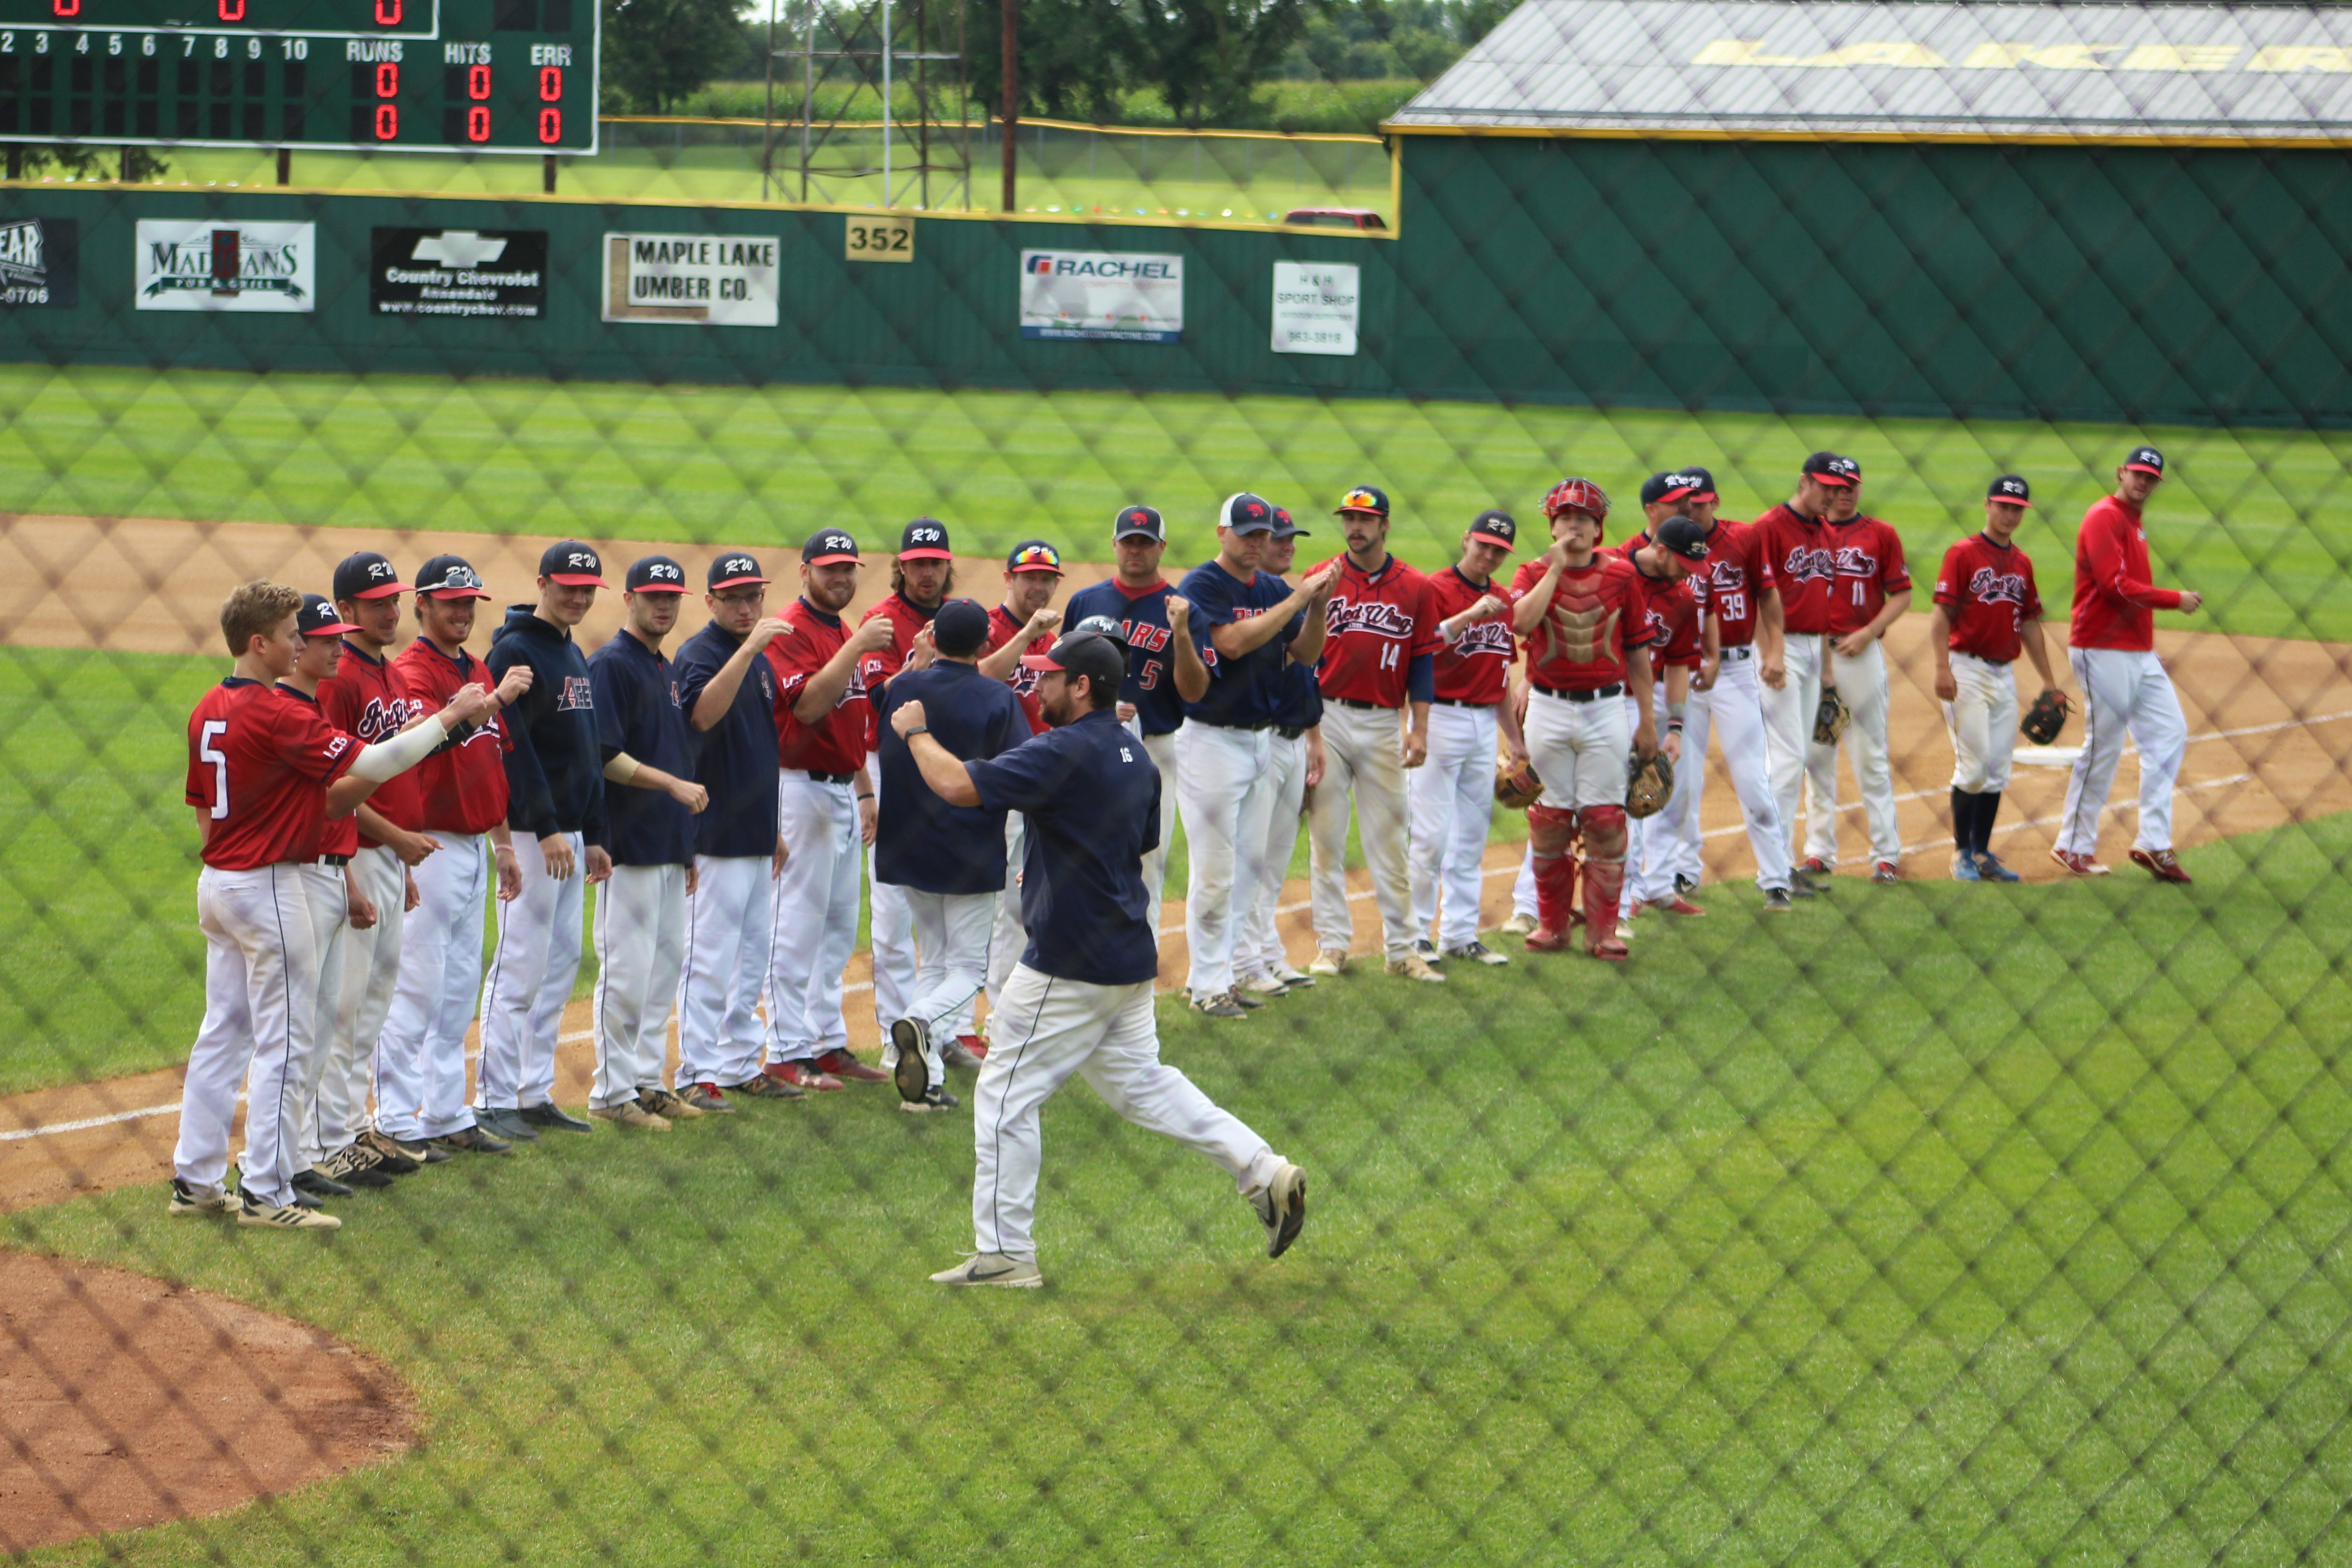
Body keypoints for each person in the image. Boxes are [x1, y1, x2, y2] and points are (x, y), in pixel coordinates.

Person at [889, 630, 1309, 1288]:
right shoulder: (1134, 757)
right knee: (1144, 1084)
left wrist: (915, 730)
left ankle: (1004, 1254)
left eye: (1049, 677)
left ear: (1081, 686)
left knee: (1003, 1093)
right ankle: (1264, 1171)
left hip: (1067, 958)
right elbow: (1141, 841)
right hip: (1125, 952)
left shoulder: (1061, 751)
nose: (1037, 685)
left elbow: (955, 786)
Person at [173, 581, 499, 1230]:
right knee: (287, 1044)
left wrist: (230, 860)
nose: (301, 644)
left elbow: (206, 811)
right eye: (293, 635)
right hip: (269, 886)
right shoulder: (276, 713)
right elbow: (376, 760)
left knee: (223, 1034)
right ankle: (268, 1192)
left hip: (220, 882)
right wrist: (448, 718)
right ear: (259, 643)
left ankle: (197, 1180)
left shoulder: (210, 705)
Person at [379, 555, 528, 1159]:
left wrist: (504, 843)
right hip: (431, 845)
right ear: (422, 606)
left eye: (469, 603)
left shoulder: (476, 666)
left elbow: (490, 759)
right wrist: (491, 703)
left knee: (460, 986)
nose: (463, 612)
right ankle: (395, 1118)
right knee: (417, 985)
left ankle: (446, 1113)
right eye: (450, 603)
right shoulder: (412, 672)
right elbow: (423, 748)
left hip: (475, 845)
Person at [1176, 494, 1337, 1018]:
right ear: (1222, 532)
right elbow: (1232, 644)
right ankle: (1203, 985)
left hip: (1261, 741)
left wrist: (1318, 607)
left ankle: (1225, 975)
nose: (1256, 542)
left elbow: (1306, 654)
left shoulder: (1270, 587)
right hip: (1212, 742)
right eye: (1246, 533)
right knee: (1216, 871)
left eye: (1262, 534)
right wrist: (1295, 602)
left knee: (1247, 869)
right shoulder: (1203, 585)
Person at [305, 552, 435, 1192]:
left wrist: (397, 858)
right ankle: (329, 1137)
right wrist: (377, 853)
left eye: (394, 599)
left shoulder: (385, 672)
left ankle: (353, 1127)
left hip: (386, 856)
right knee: (346, 1004)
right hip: (355, 852)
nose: (391, 611)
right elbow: (334, 789)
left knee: (373, 1002)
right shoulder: (341, 676)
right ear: (347, 610)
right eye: (377, 602)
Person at [475, 541, 613, 1143]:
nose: (578, 597)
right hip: (535, 835)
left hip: (568, 834)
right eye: (567, 587)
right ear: (542, 583)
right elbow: (514, 749)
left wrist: (594, 835)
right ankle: (493, 1097)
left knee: (556, 968)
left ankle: (532, 1092)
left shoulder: (570, 650)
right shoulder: (515, 649)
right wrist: (550, 825)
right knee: (520, 964)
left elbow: (584, 755)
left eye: (587, 589)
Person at [872, 599, 1028, 1112]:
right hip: (969, 849)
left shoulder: (900, 690)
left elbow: (882, 722)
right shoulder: (996, 698)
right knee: (966, 969)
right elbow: (1018, 773)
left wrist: (913, 667)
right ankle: (918, 1025)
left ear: (932, 640)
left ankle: (926, 1081)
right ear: (986, 644)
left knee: (934, 959)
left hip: (910, 846)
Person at [1625, 469, 1799, 911]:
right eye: (1686, 502)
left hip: (1735, 673)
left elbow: (1717, 606)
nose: (1691, 508)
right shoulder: (1642, 556)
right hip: (1674, 675)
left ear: (1714, 502)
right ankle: (1674, 876)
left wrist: (1722, 654)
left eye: (1698, 502)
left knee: (1753, 779)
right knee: (1677, 784)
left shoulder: (1740, 539)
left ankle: (1776, 877)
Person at [1507, 477, 1660, 960]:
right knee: (1549, 819)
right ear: (1552, 526)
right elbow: (1521, 624)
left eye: (1584, 520)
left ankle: (1604, 932)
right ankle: (1552, 927)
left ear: (1599, 529)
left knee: (1605, 819)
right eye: (1565, 519)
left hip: (1605, 707)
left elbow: (1637, 652)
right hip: (1548, 707)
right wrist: (1553, 568)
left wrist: (1649, 721)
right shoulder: (1531, 573)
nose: (1574, 527)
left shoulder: (1623, 578)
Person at [764, 529, 895, 1090]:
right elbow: (813, 706)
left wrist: (864, 790)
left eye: (849, 569)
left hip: (841, 790)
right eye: (830, 570)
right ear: (805, 571)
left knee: (839, 927)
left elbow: (852, 727)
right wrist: (858, 647)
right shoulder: (793, 631)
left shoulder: (841, 630)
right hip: (798, 791)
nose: (841, 578)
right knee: (796, 924)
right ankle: (785, 1049)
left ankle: (824, 1042)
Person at [587, 556, 711, 1130]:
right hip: (629, 848)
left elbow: (674, 753)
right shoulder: (612, 665)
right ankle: (611, 1092)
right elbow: (604, 756)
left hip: (665, 845)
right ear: (630, 599)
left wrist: (685, 846)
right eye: (653, 596)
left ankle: (645, 1082)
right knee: (628, 971)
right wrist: (671, 788)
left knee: (663, 969)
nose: (664, 606)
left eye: (672, 597)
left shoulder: (661, 667)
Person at [1303, 485, 1444, 983]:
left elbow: (1423, 659)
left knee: (1390, 839)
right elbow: (1302, 658)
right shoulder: (1319, 578)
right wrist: (1310, 728)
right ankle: (1333, 946)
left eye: (1365, 519)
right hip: (1327, 718)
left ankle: (1403, 950)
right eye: (1348, 519)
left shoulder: (1417, 587)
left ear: (1385, 524)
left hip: (1385, 720)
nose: (1355, 528)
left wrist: (1418, 726)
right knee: (1327, 839)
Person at [673, 552, 797, 1112]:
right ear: (711, 603)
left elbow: (760, 752)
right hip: (714, 838)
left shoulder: (763, 665)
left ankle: (741, 1064)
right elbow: (701, 716)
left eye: (754, 597)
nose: (747, 608)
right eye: (735, 598)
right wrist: (749, 649)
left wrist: (771, 827)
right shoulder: (697, 655)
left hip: (753, 834)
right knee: (709, 959)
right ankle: (695, 1073)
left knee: (751, 960)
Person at [2053, 446, 2202, 882]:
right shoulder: (2104, 516)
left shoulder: (2134, 523)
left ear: (2157, 484)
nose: (2142, 482)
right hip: (2101, 647)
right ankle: (2072, 845)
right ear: (2122, 472)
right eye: (2137, 474)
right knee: (2105, 745)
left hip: (2138, 650)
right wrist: (2176, 599)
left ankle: (2154, 842)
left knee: (2170, 732)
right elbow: (2114, 585)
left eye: (2151, 478)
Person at [1061, 505, 1210, 940]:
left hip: (1155, 751)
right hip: (1087, 747)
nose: (1136, 550)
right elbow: (1060, 680)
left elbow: (1194, 691)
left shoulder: (1184, 609)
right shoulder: (1085, 602)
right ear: (1115, 545)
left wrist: (1181, 632)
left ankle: (1137, 967)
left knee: (1148, 861)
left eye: (1145, 543)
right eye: (1129, 542)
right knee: (1077, 851)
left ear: (1162, 548)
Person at [856, 519, 956, 1054]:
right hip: (888, 767)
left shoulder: (960, 620)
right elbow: (876, 702)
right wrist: (916, 665)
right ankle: (900, 1039)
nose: (926, 573)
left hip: (942, 767)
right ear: (902, 566)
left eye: (935, 563)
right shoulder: (881, 621)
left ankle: (944, 1027)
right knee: (893, 911)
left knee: (944, 906)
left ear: (947, 566)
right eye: (917, 563)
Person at [1932, 476, 2062, 882]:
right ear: (1987, 506)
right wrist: (1941, 667)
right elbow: (1941, 616)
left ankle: (1983, 853)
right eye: (2003, 506)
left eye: (2017, 508)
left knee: (1998, 769)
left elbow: (2029, 623)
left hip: (2004, 673)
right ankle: (1960, 854)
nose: (2009, 514)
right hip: (1965, 668)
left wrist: (2049, 681)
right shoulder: (1963, 554)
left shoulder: (2022, 562)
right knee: (1973, 768)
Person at [1410, 510, 1523, 963]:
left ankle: (1459, 935)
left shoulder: (1504, 599)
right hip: (1438, 718)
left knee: (1472, 836)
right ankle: (1415, 935)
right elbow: (1422, 649)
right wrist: (1470, 614)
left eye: (1499, 550)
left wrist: (1514, 740)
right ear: (1466, 541)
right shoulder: (1435, 590)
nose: (1490, 555)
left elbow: (1500, 676)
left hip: (1481, 726)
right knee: (1429, 835)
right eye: (1483, 546)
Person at [1806, 460, 1912, 883]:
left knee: (1871, 758)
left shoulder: (1880, 534)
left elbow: (1902, 594)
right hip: (1815, 656)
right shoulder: (1808, 531)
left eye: (1853, 486)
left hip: (1860, 656)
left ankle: (1886, 855)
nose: (1846, 493)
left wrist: (1870, 632)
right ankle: (1819, 852)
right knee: (1817, 757)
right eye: (1839, 486)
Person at [1233, 507, 1324, 997]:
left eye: (1292, 540)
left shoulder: (1293, 601)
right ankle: (1244, 959)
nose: (1288, 547)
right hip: (1260, 739)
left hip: (1295, 740)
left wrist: (1314, 738)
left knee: (1275, 857)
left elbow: (1309, 677)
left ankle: (1265, 952)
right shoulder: (1254, 608)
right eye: (1279, 540)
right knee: (1250, 857)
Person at [1753, 453, 1854, 892]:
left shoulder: (1827, 533)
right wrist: (1770, 652)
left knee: (1801, 756)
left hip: (1814, 650)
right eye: (1825, 486)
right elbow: (1756, 596)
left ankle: (1781, 863)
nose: (1833, 494)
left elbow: (1825, 604)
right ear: (1804, 482)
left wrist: (1828, 670)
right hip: (1782, 649)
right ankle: (1774, 867)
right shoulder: (1769, 528)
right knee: (1789, 757)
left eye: (1839, 489)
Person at [1618, 517, 1714, 918]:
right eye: (1684, 565)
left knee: (1675, 789)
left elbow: (1679, 665)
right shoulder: (1613, 573)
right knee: (1623, 797)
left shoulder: (1683, 598)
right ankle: (1623, 897)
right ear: (1661, 552)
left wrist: (1675, 726)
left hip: (1656, 694)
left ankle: (1657, 885)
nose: (1689, 576)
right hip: (1610, 699)